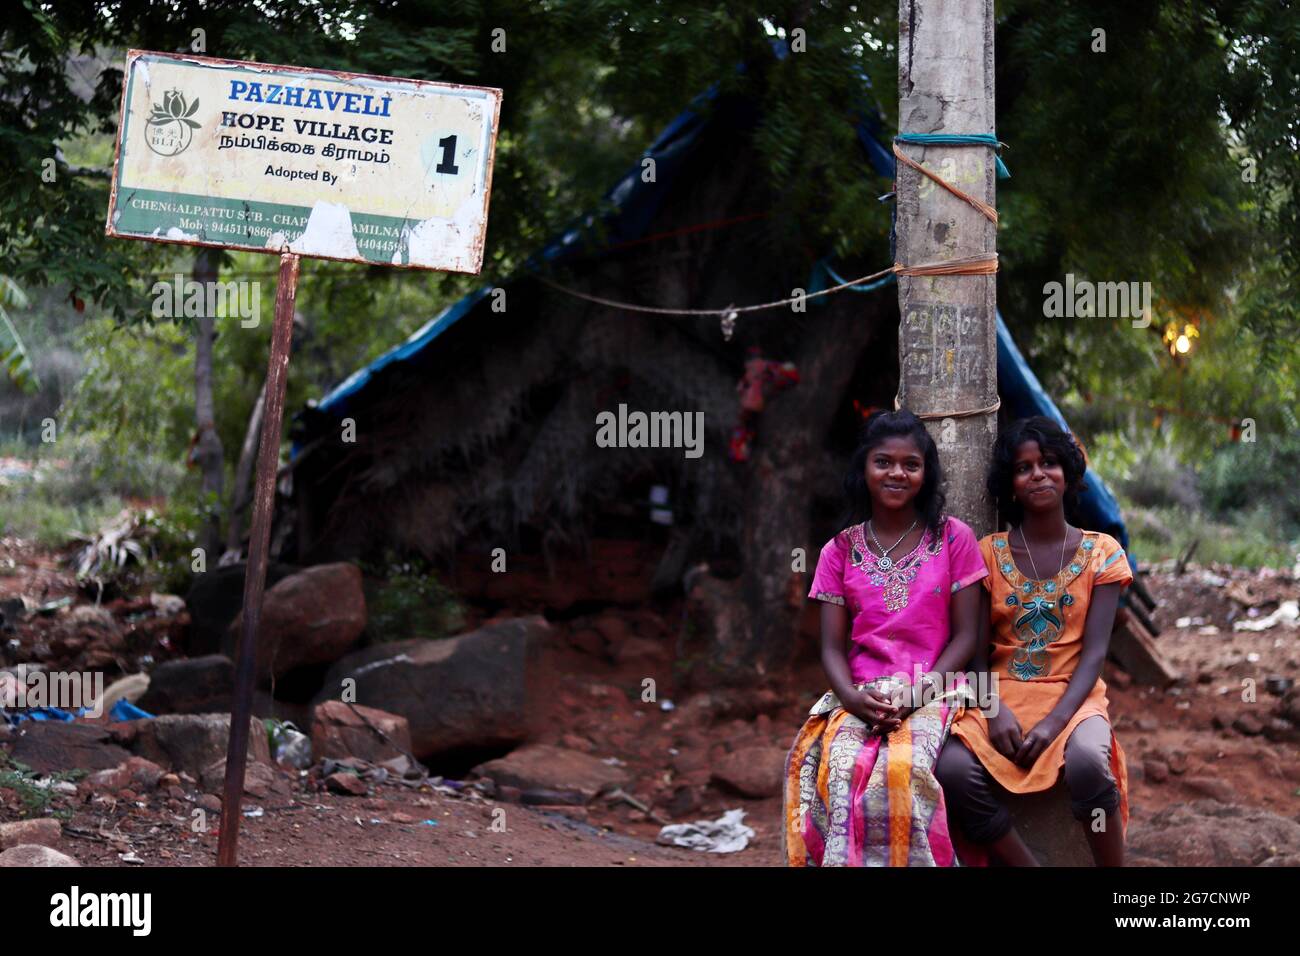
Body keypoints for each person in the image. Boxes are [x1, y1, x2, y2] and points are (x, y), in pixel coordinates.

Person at [783, 409, 987, 866]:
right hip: (861, 692)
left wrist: (918, 693)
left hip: (936, 689)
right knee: (837, 774)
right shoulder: (838, 551)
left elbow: (967, 637)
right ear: (864, 468)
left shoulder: (954, 539)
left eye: (911, 464)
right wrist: (853, 699)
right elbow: (831, 648)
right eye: (884, 462)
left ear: (926, 473)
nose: (897, 473)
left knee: (903, 771)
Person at [937, 416, 1132, 866]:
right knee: (950, 768)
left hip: (1074, 696)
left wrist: (1052, 725)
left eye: (1048, 463)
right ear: (1011, 484)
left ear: (1067, 473)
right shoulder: (989, 552)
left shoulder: (1102, 553)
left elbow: (1095, 656)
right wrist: (993, 708)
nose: (1038, 474)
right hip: (1000, 696)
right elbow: (976, 654)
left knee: (1085, 763)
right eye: (1023, 468)